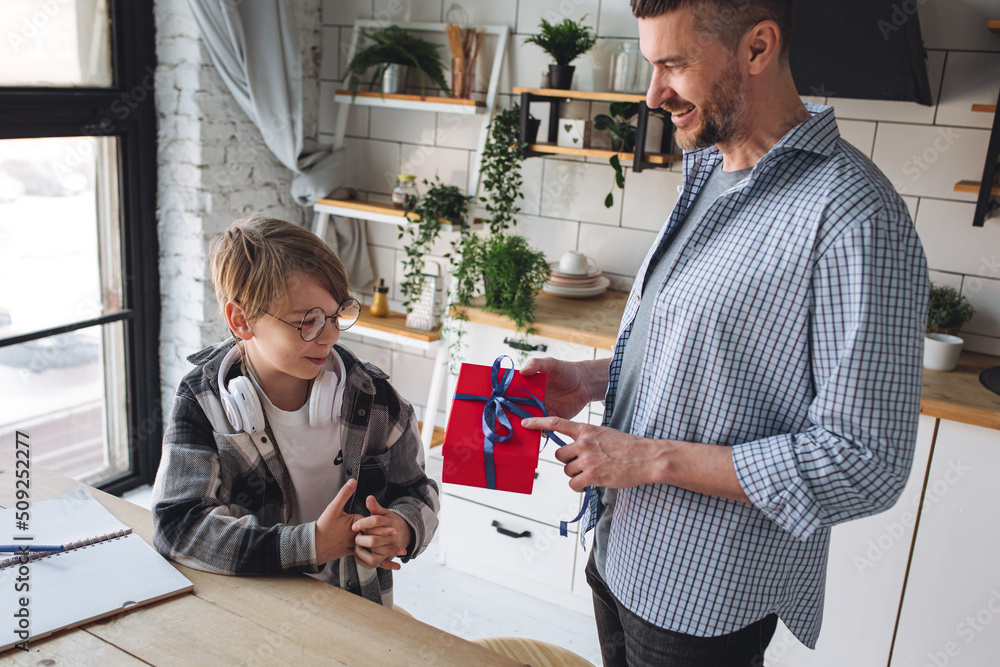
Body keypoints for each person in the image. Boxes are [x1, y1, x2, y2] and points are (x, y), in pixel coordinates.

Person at [521, 1, 928, 665]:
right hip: (621, 549)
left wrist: (650, 459)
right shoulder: (713, 167)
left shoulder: (854, 215)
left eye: (673, 64)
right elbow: (707, 354)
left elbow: (866, 459)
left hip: (702, 595)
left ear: (759, 48)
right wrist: (593, 378)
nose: (654, 94)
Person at [151, 216, 439, 608]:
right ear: (242, 320)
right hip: (255, 613)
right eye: (308, 322)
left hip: (357, 607)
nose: (330, 335)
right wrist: (310, 546)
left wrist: (403, 528)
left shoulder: (375, 398)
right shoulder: (203, 401)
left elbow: (417, 490)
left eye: (336, 315)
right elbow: (177, 526)